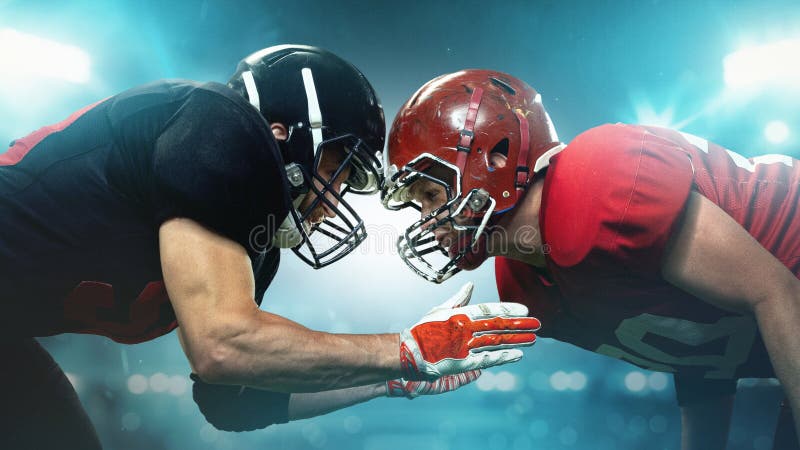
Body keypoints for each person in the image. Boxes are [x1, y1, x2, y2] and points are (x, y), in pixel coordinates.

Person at [0, 47, 540, 449]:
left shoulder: (250, 241)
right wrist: (404, 347)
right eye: (340, 168)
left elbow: (231, 399)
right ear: (285, 132)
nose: (335, 201)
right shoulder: (220, 124)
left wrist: (392, 375)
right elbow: (223, 346)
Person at [381, 69, 800, 450]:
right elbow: (698, 345)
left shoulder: (598, 186)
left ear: (497, 158)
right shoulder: (526, 281)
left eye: (432, 196)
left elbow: (776, 291)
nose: (429, 222)